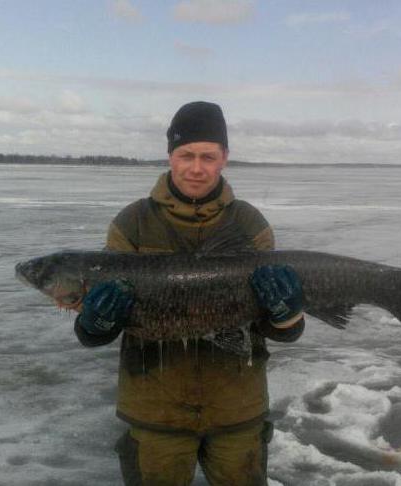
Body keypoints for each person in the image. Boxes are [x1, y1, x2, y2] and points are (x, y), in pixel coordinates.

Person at [74, 101, 305, 486]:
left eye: (207, 157)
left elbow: (276, 328)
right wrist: (95, 324)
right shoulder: (132, 222)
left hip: (237, 411)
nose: (196, 168)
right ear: (170, 156)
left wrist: (288, 316)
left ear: (224, 159)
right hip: (155, 413)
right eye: (186, 155)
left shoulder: (248, 223)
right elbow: (98, 334)